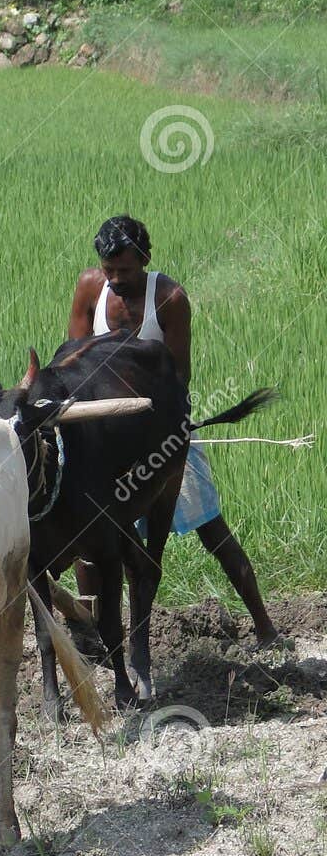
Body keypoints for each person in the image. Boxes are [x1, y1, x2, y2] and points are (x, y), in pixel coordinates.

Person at [68, 214, 280, 647]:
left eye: (125, 270)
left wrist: (153, 431)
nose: (116, 279)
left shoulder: (169, 298)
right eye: (109, 270)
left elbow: (176, 376)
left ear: (145, 259)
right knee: (84, 535)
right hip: (101, 437)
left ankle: (265, 627)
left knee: (210, 528)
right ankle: (89, 634)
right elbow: (74, 360)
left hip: (158, 432)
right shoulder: (91, 287)